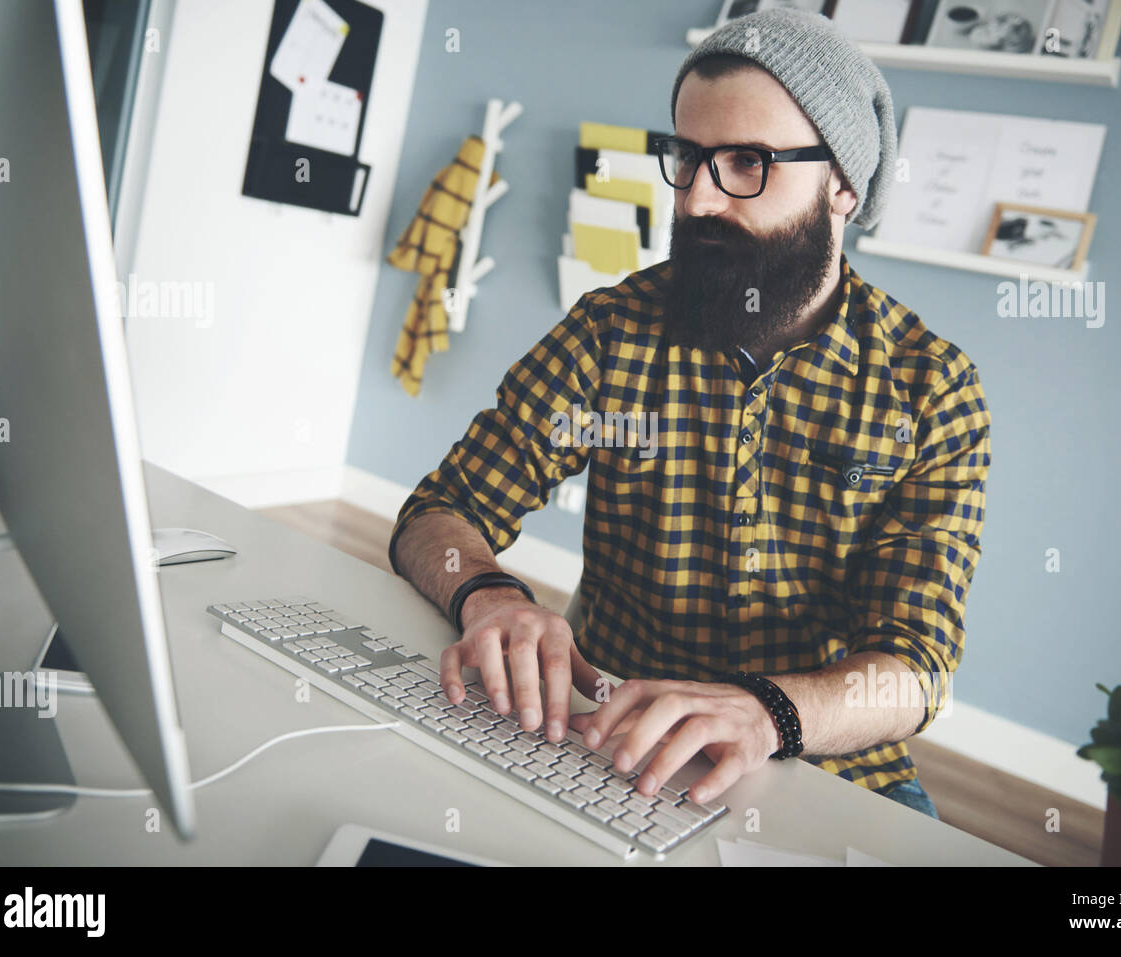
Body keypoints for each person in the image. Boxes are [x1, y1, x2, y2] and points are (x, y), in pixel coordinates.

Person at [388, 9, 991, 821]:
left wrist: (767, 712)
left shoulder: (933, 387)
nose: (700, 197)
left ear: (843, 185)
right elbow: (441, 511)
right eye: (689, 157)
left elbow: (915, 667)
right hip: (607, 734)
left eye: (747, 162)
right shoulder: (610, 331)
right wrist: (491, 596)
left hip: (827, 762)